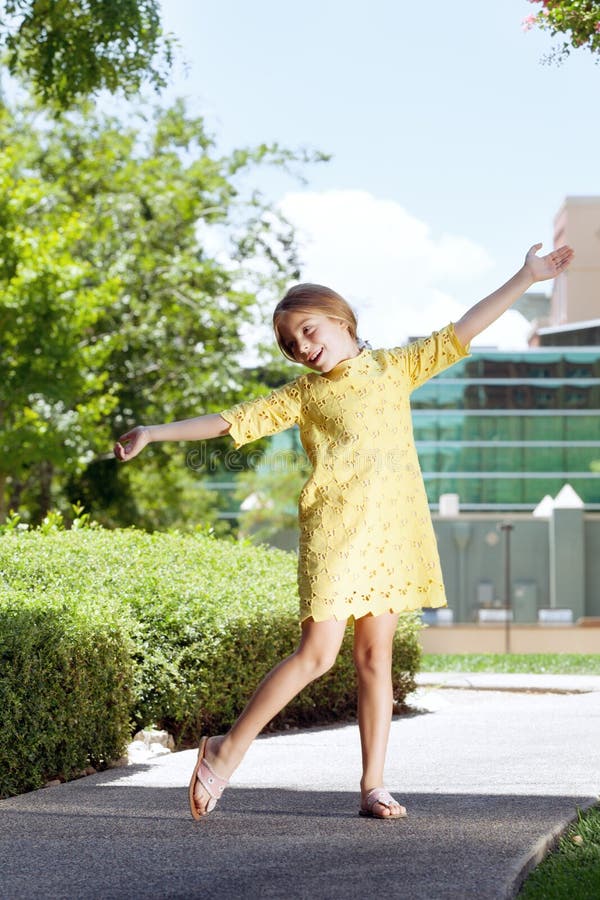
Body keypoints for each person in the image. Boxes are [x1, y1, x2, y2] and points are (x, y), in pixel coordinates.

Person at [114, 242, 573, 821]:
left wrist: (526, 276)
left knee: (376, 659)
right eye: (291, 344)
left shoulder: (396, 367)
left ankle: (373, 784)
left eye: (308, 331)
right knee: (316, 655)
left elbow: (467, 325)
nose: (302, 348)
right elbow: (232, 420)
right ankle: (225, 749)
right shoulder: (304, 395)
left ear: (341, 320)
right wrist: (152, 432)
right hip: (335, 534)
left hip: (392, 534)